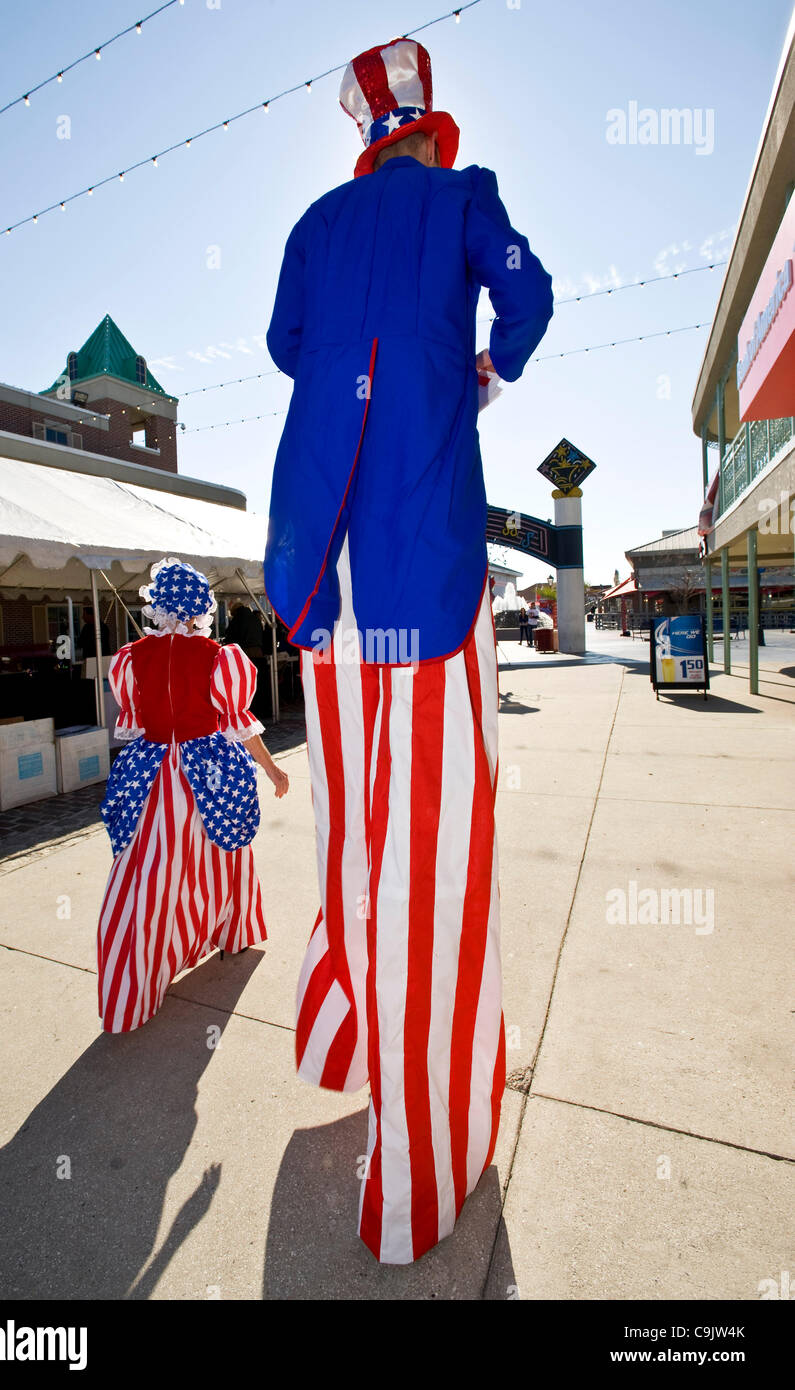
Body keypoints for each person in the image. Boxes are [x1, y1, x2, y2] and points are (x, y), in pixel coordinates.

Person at [264, 36, 553, 1264]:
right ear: (431, 129)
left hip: (323, 572)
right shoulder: (465, 197)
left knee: (351, 825)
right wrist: (482, 364)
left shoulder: (318, 225)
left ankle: (350, 1038)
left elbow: (287, 345)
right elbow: (530, 294)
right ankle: (423, 1146)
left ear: (363, 137)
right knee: (431, 852)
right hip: (423, 566)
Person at [96, 557, 289, 1033]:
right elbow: (239, 726)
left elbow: (137, 725)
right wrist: (271, 769)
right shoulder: (220, 658)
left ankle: (133, 987)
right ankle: (232, 930)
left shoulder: (129, 658)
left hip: (153, 776)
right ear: (199, 607)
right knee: (225, 854)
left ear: (158, 605)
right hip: (209, 774)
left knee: (148, 874)